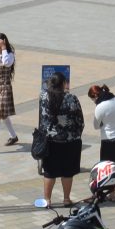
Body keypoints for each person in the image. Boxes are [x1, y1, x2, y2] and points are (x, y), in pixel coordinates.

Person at [34, 71, 84, 208]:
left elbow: (41, 118)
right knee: (67, 172)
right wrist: (77, 133)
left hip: (49, 141)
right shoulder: (71, 98)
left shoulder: (43, 96)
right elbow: (79, 120)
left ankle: (47, 200)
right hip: (69, 141)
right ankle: (66, 199)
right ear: (63, 84)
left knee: (49, 172)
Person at [89, 83, 115, 175]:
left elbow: (96, 126)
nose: (93, 101)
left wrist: (103, 123)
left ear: (96, 96)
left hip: (109, 141)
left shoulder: (100, 107)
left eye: (92, 99)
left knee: (108, 171)